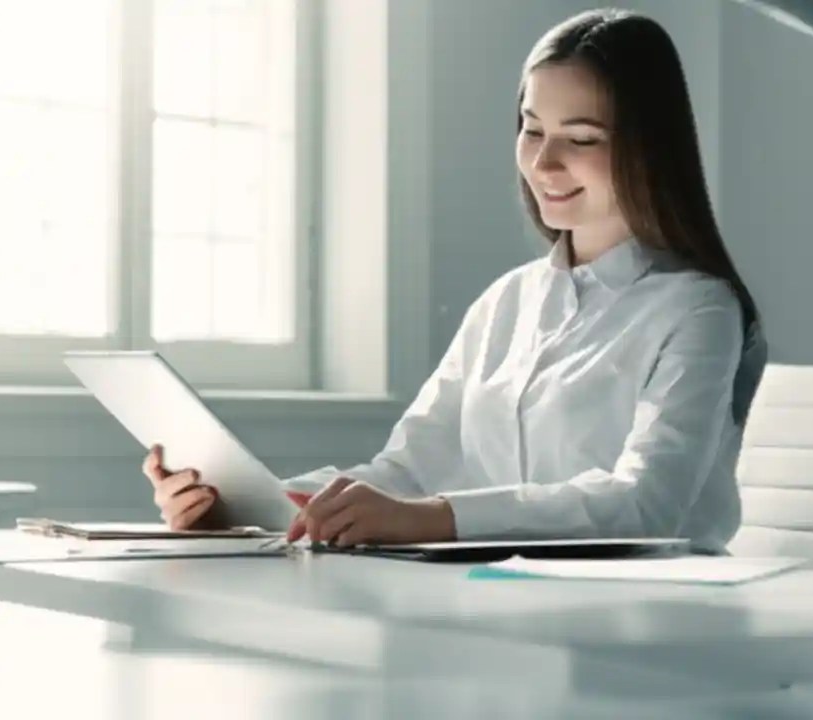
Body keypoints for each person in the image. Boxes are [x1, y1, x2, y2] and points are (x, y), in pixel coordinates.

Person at [143, 8, 766, 554]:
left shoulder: (697, 308)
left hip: (661, 620)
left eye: (580, 138)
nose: (543, 162)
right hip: (503, 602)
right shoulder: (508, 303)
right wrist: (259, 510)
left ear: (648, 150)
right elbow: (408, 472)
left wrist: (436, 520)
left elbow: (645, 504)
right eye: (531, 129)